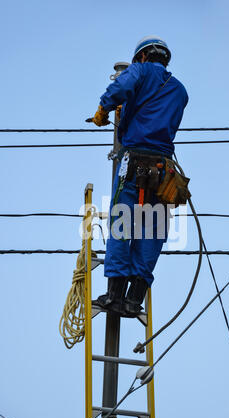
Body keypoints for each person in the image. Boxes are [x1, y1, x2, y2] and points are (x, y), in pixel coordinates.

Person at [91, 36, 189, 317]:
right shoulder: (180, 91)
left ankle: (113, 296)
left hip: (134, 162)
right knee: (154, 231)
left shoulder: (141, 71)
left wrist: (103, 109)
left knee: (122, 224)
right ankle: (134, 300)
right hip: (163, 169)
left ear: (143, 57)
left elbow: (121, 87)